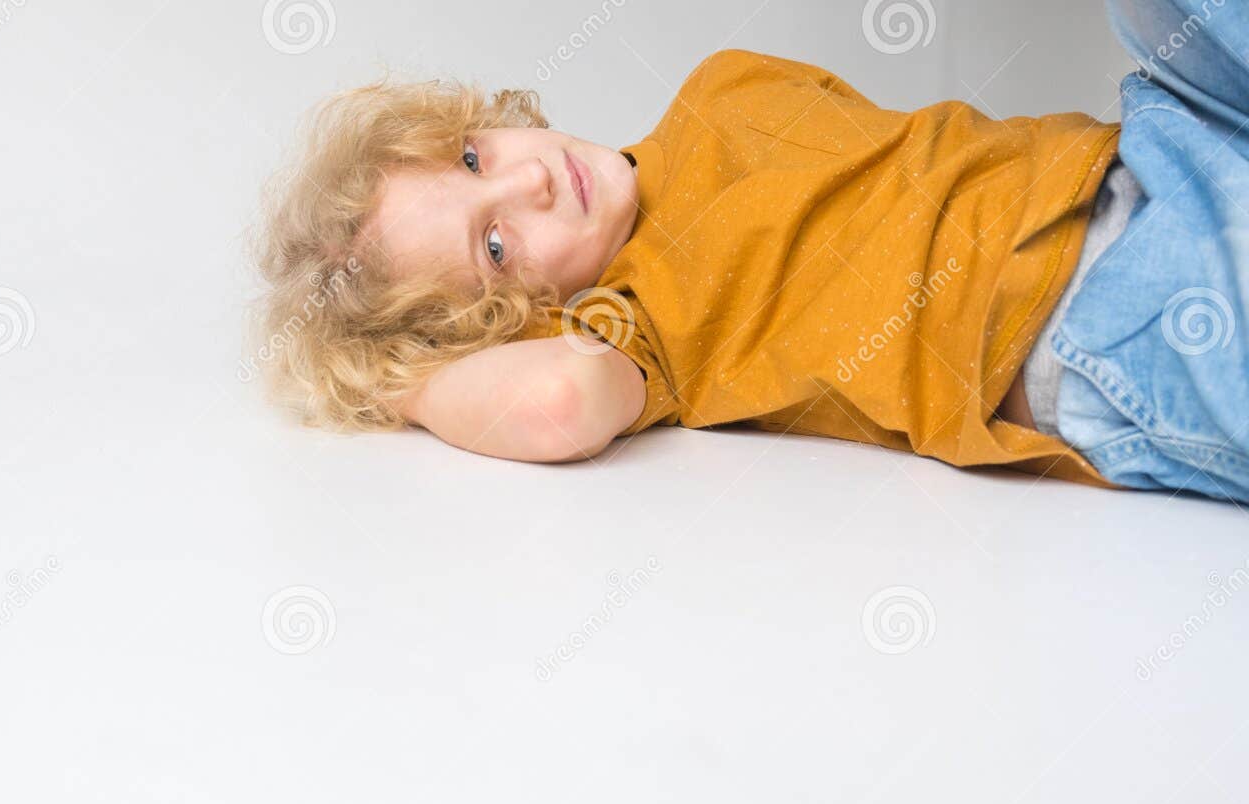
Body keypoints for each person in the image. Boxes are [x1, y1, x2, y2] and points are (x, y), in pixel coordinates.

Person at [251, 0, 1249, 503]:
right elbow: (555, 405)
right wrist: (401, 376)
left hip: (1155, 143)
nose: (530, 181)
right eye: (498, 246)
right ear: (508, 321)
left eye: (474, 158)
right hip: (1103, 316)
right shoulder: (629, 322)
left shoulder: (715, 90)